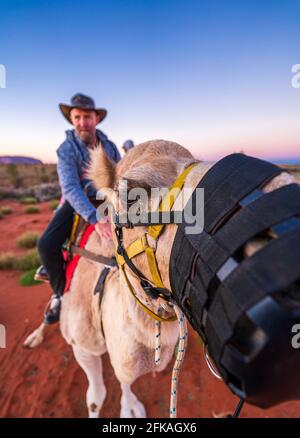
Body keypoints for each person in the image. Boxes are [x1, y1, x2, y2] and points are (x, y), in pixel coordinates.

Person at [37, 93, 121, 324]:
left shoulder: (110, 147)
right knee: (45, 245)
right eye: (77, 117)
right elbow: (71, 188)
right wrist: (95, 218)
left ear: (96, 119)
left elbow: (119, 176)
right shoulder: (66, 150)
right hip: (80, 202)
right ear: (72, 120)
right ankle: (58, 293)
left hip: (107, 197)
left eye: (87, 117)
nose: (82, 122)